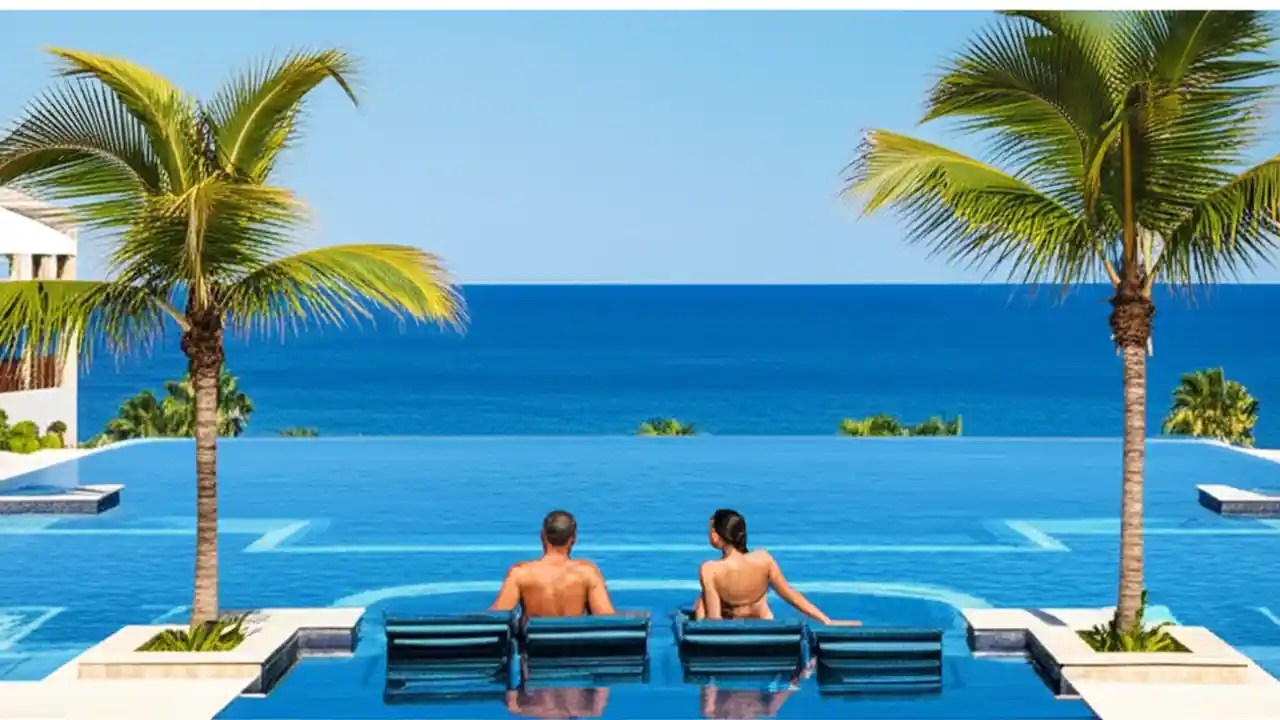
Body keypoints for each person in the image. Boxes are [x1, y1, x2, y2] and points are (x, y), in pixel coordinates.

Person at [693, 508, 858, 625]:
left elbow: (714, 620)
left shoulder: (710, 569)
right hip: (765, 627)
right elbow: (790, 595)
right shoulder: (763, 559)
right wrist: (825, 620)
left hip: (733, 631)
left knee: (701, 602)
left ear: (716, 536)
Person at [490, 509, 616, 617]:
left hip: (536, 644)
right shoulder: (587, 572)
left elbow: (497, 617)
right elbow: (606, 619)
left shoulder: (520, 573)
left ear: (542, 536)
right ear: (573, 539)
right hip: (574, 644)